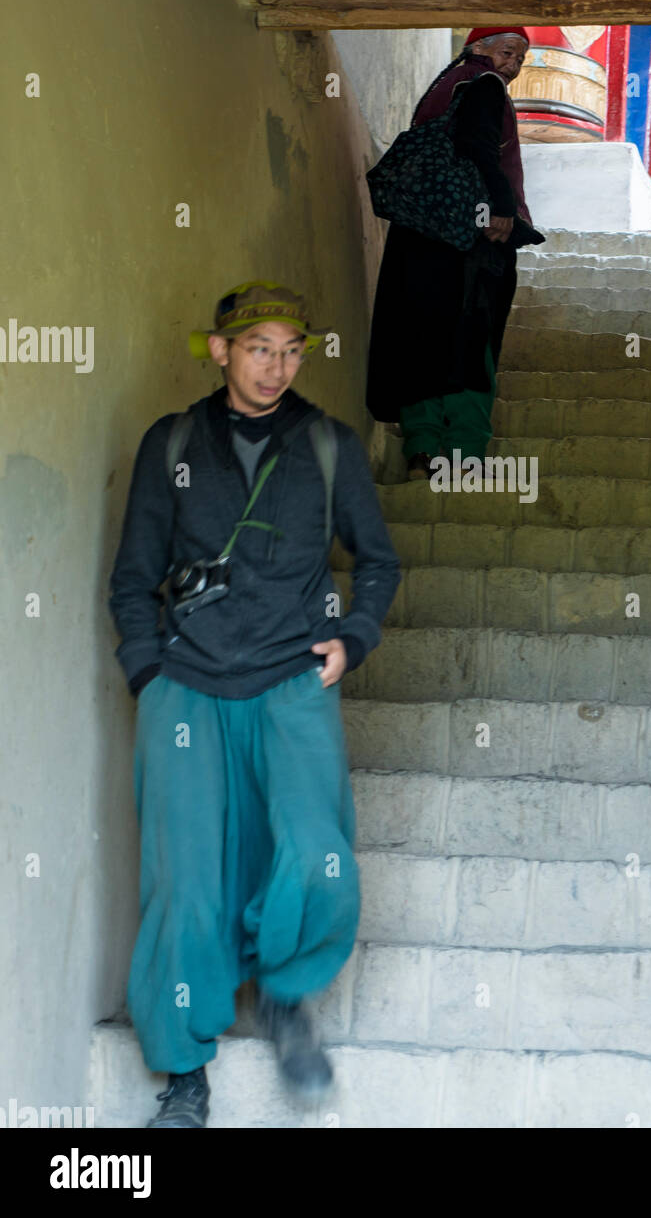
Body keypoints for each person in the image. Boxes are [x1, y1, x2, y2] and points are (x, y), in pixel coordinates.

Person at [108, 281, 401, 1128]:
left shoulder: (328, 446)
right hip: (186, 686)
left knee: (315, 851)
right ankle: (182, 1076)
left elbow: (377, 561)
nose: (276, 367)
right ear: (220, 351)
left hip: (290, 678)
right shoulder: (171, 446)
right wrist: (146, 674)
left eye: (291, 350)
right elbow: (132, 581)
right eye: (258, 348)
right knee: (186, 881)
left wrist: (356, 636)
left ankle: (284, 997)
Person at [365, 26, 545, 480]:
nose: (514, 65)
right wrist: (502, 208)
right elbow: (478, 144)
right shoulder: (483, 84)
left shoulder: (443, 88)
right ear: (478, 49)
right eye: (508, 52)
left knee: (420, 333)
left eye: (520, 58)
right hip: (471, 233)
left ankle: (423, 447)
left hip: (422, 230)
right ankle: (465, 451)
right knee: (472, 335)